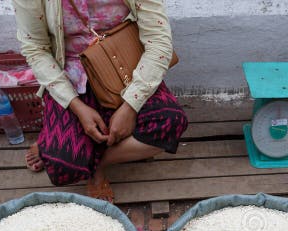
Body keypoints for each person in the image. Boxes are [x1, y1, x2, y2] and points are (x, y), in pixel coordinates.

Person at [14, 0, 189, 202]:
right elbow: (36, 49)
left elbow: (159, 41)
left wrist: (130, 106)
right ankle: (72, 144)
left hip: (124, 68)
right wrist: (78, 108)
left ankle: (95, 164)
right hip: (70, 75)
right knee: (64, 167)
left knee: (170, 123)